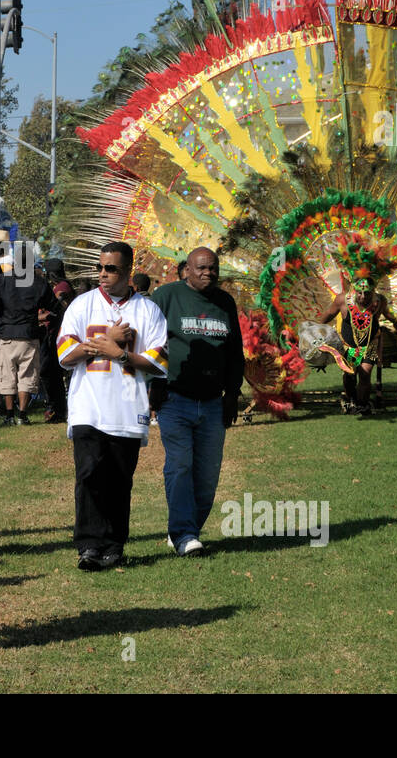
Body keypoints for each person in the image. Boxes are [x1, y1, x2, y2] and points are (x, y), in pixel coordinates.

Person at [57, 241, 168, 571]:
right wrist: (104, 340)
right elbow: (64, 354)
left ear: (128, 272)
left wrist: (119, 353)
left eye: (112, 269)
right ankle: (89, 545)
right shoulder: (81, 305)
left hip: (126, 407)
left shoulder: (147, 310)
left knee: (119, 479)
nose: (103, 275)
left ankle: (114, 544)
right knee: (88, 475)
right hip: (87, 405)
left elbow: (158, 361)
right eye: (100, 268)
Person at [151, 247, 245, 555]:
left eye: (213, 268)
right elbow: (149, 342)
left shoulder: (224, 302)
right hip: (174, 398)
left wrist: (232, 394)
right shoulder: (166, 297)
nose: (208, 273)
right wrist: (153, 386)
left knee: (207, 474)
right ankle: (184, 534)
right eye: (201, 268)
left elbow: (234, 352)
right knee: (179, 465)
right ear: (187, 270)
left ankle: (186, 526)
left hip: (213, 402)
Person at [320, 269, 397, 415]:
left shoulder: (379, 301)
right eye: (360, 292)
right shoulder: (342, 300)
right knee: (350, 375)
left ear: (373, 291)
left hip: (370, 345)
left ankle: (362, 404)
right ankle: (351, 399)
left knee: (365, 373)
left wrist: (396, 325)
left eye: (367, 293)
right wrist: (315, 329)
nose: (363, 296)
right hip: (348, 346)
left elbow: (387, 314)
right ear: (354, 290)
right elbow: (329, 314)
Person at [0, 257, 57, 426]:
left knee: (7, 375)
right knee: (27, 375)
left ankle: (10, 415)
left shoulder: (4, 278)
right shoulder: (39, 282)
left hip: (7, 334)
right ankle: (22, 415)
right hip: (29, 334)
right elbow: (52, 304)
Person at [38, 259, 75, 424]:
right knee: (51, 373)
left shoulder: (62, 287)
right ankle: (57, 408)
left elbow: (60, 302)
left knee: (48, 372)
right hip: (52, 333)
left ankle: (56, 408)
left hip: (55, 334)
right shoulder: (58, 286)